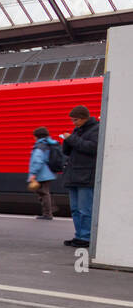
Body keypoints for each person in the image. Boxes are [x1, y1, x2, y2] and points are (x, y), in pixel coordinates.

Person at [61, 105, 99, 248]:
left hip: (86, 176)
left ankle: (86, 237)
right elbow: (68, 152)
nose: (74, 123)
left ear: (84, 118)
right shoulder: (78, 130)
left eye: (75, 120)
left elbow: (92, 148)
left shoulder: (96, 129)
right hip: (74, 175)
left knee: (85, 209)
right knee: (75, 209)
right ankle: (79, 235)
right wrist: (67, 140)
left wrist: (72, 139)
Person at [26, 127, 58, 220]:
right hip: (48, 173)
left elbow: (37, 161)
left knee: (43, 193)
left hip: (42, 174)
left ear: (36, 137)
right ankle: (50, 210)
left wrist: (33, 174)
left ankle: (48, 213)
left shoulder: (40, 145)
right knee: (44, 192)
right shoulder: (48, 143)